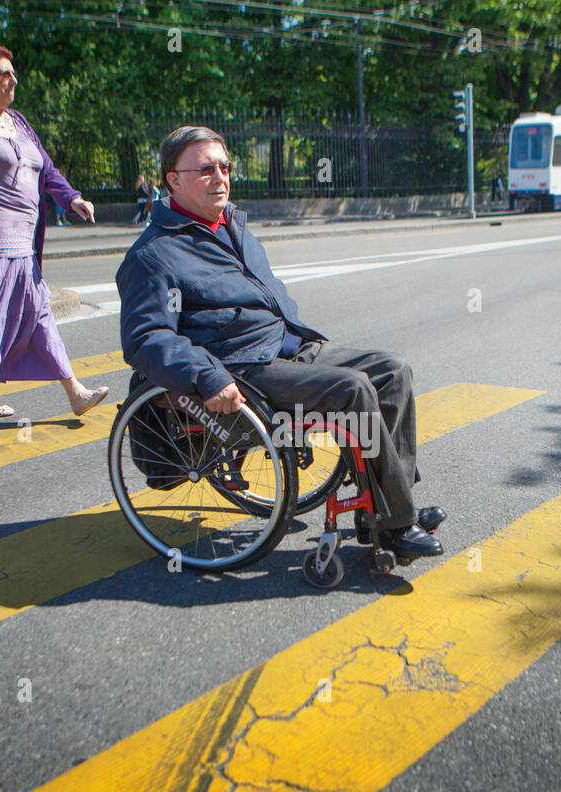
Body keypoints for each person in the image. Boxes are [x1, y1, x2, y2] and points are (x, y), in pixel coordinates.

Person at [115, 126, 446, 559]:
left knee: (392, 369)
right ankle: (396, 522)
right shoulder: (153, 254)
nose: (220, 176)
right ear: (172, 181)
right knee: (352, 389)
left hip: (286, 345)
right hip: (240, 367)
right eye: (205, 169)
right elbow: (146, 337)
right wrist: (207, 375)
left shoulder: (231, 227)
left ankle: (381, 509)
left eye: (224, 166)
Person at [0, 41, 109, 418]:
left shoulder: (20, 122)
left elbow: (46, 170)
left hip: (24, 245)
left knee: (38, 316)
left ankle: (74, 392)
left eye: (14, 73)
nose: (13, 80)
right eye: (4, 74)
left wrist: (71, 198)